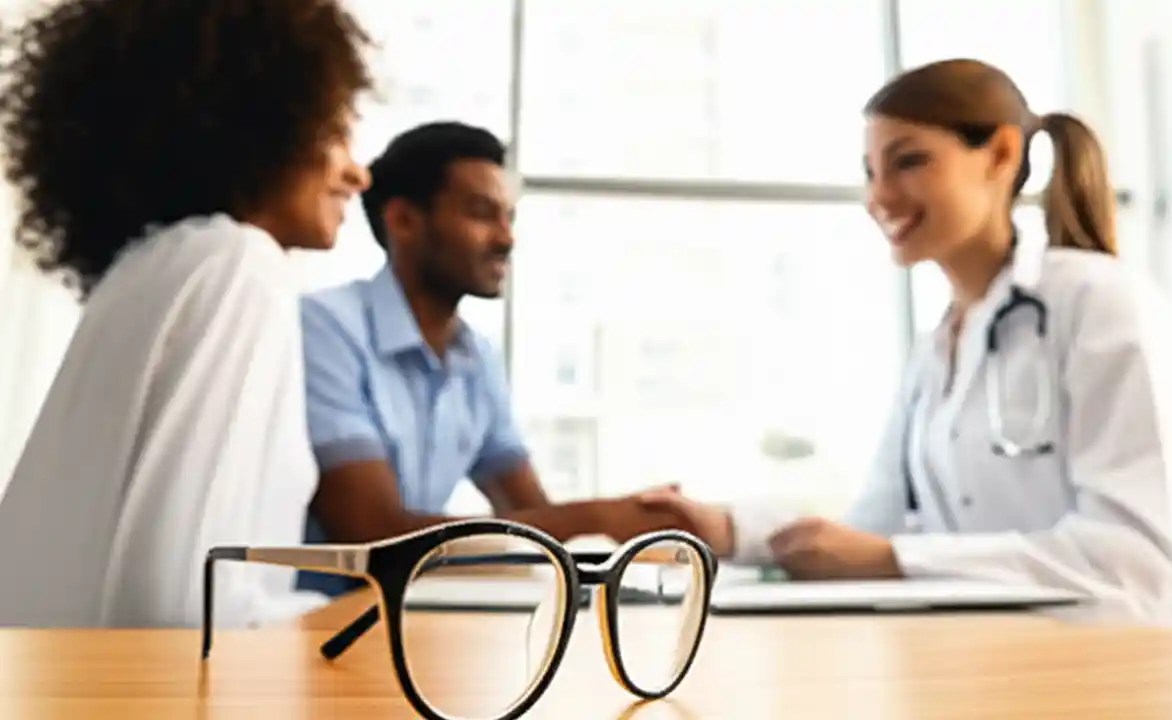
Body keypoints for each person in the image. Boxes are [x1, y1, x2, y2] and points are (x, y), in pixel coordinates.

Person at [642, 59, 1172, 624]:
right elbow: (873, 526)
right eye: (871, 172)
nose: (881, 197)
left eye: (910, 162)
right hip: (1007, 661)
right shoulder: (935, 349)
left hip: (1154, 657)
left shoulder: (1098, 300)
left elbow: (1137, 561)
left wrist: (896, 561)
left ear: (1000, 154)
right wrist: (726, 530)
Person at [0, 0, 372, 627]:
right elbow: (181, 610)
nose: (356, 174)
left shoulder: (154, 269)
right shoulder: (237, 268)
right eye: (335, 132)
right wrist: (353, 622)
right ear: (259, 123)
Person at [299, 121, 684, 593]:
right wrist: (598, 517)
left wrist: (626, 521)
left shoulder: (475, 357)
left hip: (420, 622)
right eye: (483, 214)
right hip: (315, 631)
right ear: (403, 221)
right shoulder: (326, 329)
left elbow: (531, 514)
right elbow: (370, 532)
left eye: (509, 217)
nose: (506, 238)